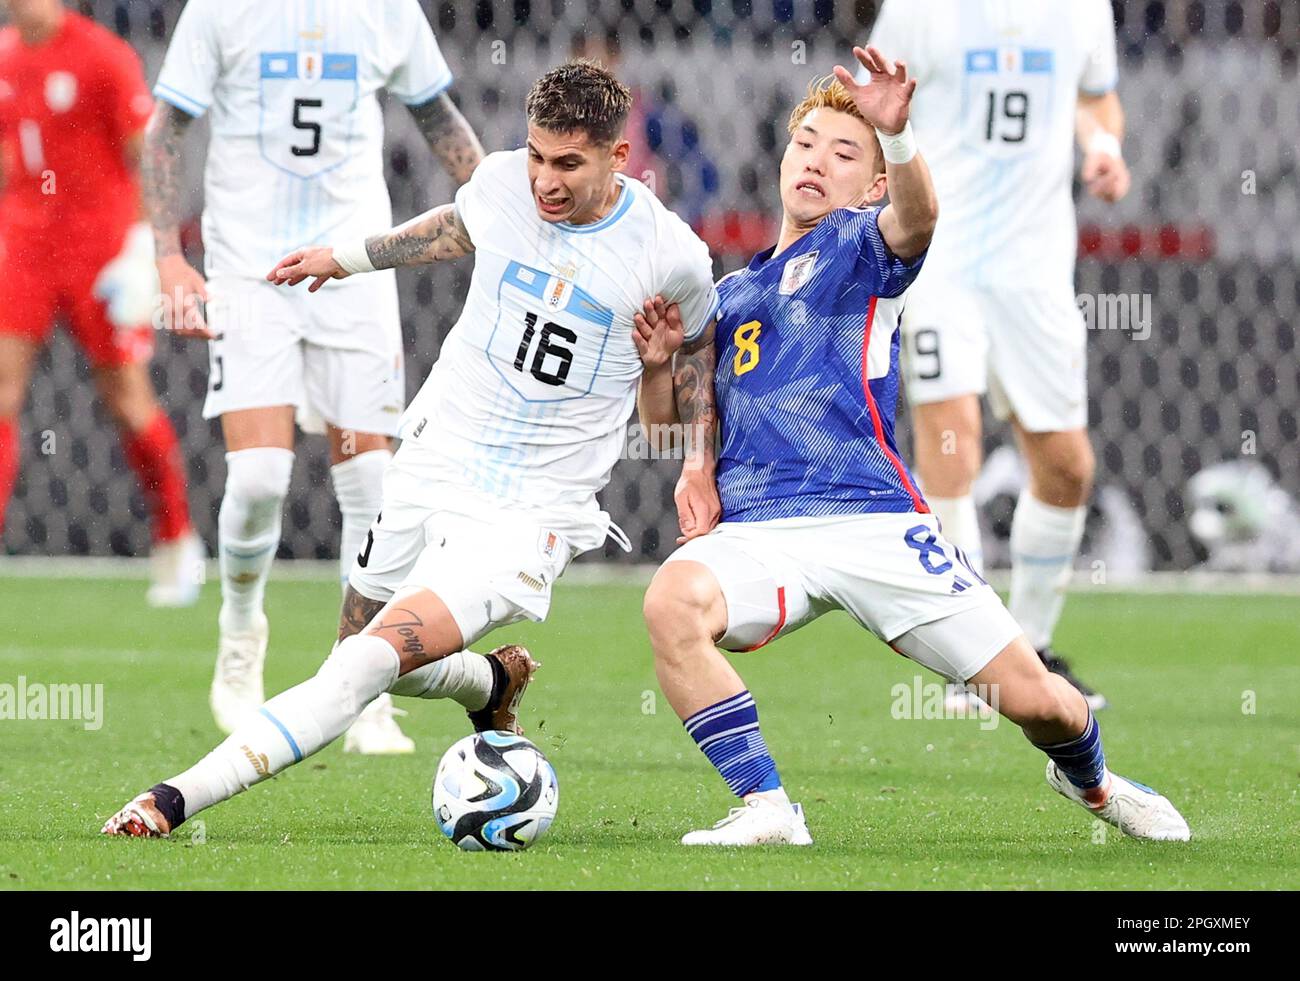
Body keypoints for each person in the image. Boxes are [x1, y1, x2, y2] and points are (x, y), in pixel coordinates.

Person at [101, 60, 722, 839]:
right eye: (536, 155)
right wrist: (344, 257)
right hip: (435, 453)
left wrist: (689, 442)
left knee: (363, 666)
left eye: (568, 163)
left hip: (527, 511)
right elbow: (455, 229)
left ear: (618, 158)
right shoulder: (502, 184)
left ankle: (171, 799)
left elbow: (691, 362)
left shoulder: (672, 256)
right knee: (353, 654)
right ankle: (488, 681)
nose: (545, 180)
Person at [635, 53, 1188, 846]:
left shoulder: (864, 247)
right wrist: (664, 377)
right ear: (783, 159)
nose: (817, 161)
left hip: (874, 522)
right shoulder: (729, 295)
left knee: (1044, 703)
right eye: (806, 144)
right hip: (759, 534)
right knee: (669, 602)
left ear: (870, 185)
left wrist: (897, 137)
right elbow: (672, 418)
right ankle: (767, 807)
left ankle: (1093, 781)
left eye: (843, 153)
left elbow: (920, 218)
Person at [145, 0, 486, 750]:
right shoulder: (220, 12)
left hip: (355, 264)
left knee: (370, 484)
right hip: (248, 267)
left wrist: (498, 206)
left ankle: (360, 683)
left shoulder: (386, 11)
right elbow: (167, 126)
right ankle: (240, 636)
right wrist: (169, 254)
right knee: (261, 477)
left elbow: (436, 113)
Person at [864, 0, 1132, 709]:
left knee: (1068, 465)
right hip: (939, 250)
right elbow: (875, 105)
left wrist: (1103, 147)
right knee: (954, 435)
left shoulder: (1083, 10)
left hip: (1036, 268)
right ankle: (976, 654)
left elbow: (1096, 100)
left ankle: (1031, 647)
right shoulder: (921, 10)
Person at [0, 0, 199, 602]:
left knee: (125, 394)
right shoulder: (6, 57)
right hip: (25, 245)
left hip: (98, 247)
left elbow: (147, 157)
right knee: (2, 392)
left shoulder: (104, 58)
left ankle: (176, 538)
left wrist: (141, 250)